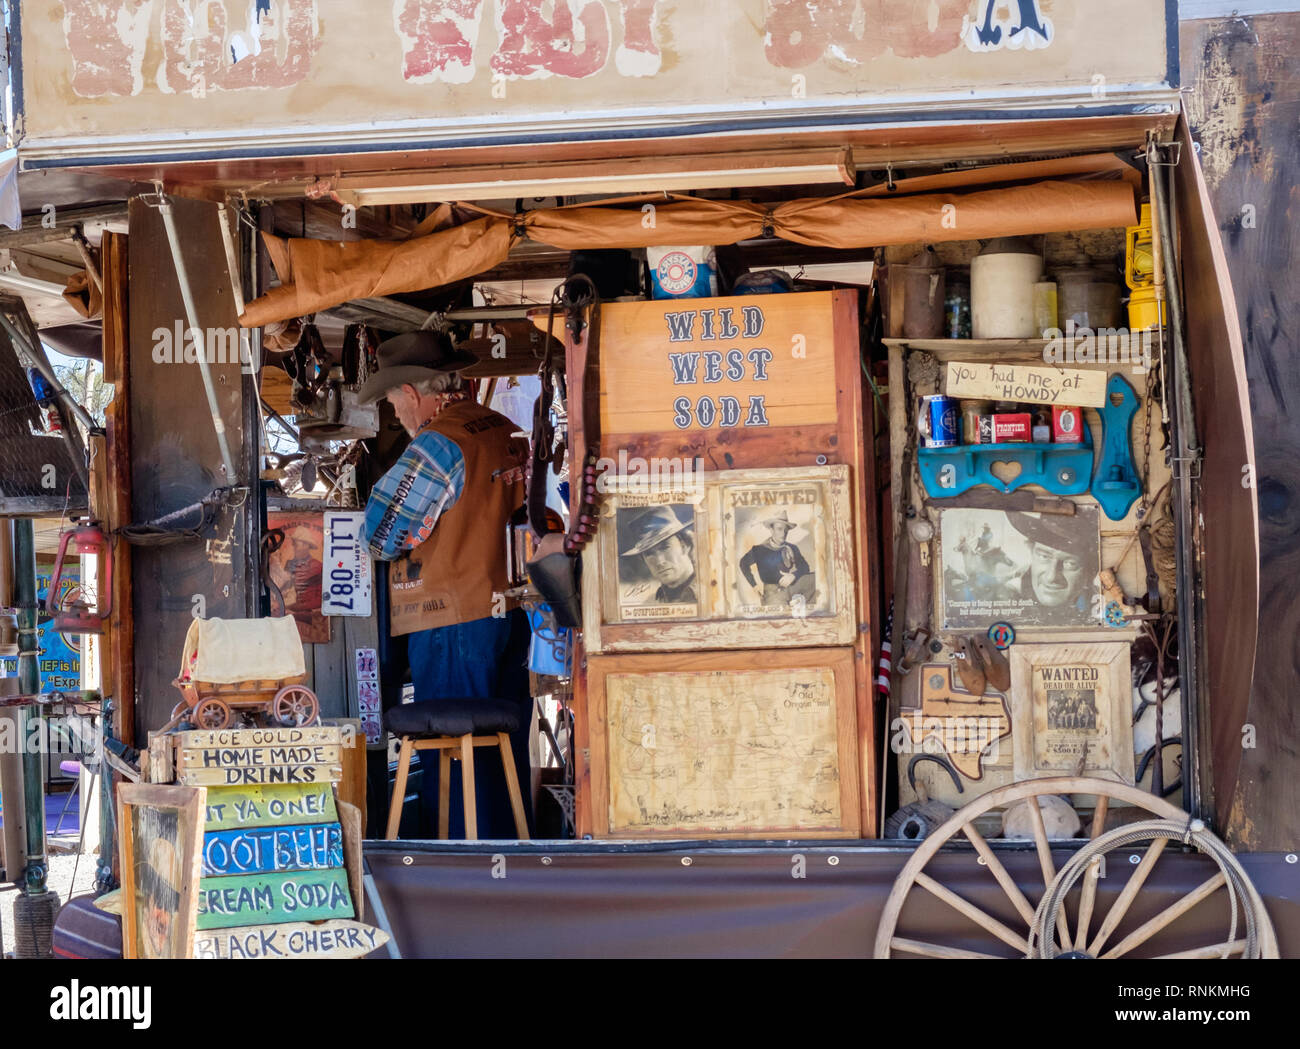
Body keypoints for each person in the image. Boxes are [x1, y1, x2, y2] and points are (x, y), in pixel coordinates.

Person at [359, 330, 532, 839]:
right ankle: (506, 862)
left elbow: (382, 534)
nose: (396, 414)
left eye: (394, 402)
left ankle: (458, 868)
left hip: (451, 615)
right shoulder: (499, 427)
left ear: (412, 393)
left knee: (452, 753)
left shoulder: (438, 442)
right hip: (508, 612)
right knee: (501, 750)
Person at [1005, 511, 1092, 613]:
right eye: (1044, 556)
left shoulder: (1096, 604)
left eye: (1070, 563)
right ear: (1032, 553)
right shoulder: (1006, 598)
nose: (1051, 577)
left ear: (1090, 571)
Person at [619, 506, 697, 604]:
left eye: (665, 547)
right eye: (649, 553)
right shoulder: (648, 605)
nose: (660, 561)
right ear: (643, 560)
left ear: (685, 545)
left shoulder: (712, 593)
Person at [739, 510, 816, 607]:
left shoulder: (792, 548)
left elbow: (805, 567)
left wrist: (793, 575)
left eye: (785, 530)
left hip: (794, 586)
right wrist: (754, 586)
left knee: (816, 580)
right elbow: (743, 563)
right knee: (781, 618)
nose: (783, 533)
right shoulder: (759, 550)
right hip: (774, 593)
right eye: (779, 529)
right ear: (771, 530)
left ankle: (799, 605)